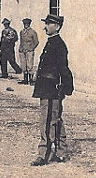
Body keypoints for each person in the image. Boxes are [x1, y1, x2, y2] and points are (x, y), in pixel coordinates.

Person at [31, 14, 73, 166]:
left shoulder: (58, 44)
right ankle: (61, 152)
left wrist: (66, 87)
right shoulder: (52, 43)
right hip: (48, 87)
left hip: (51, 88)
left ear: (57, 26)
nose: (45, 26)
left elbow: (63, 67)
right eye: (46, 23)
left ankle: (44, 154)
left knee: (48, 120)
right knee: (55, 119)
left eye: (49, 24)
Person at [18, 18, 39, 85]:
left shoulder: (32, 32)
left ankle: (31, 80)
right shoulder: (21, 32)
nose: (26, 25)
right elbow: (21, 41)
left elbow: (36, 42)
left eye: (27, 24)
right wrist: (20, 48)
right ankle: (25, 79)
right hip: (22, 50)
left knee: (30, 65)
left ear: (29, 24)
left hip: (29, 51)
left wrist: (31, 48)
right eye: (24, 24)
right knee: (23, 65)